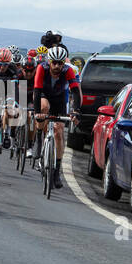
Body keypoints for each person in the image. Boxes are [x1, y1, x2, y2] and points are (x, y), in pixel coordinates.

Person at [32, 46, 82, 189]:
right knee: (44, 108)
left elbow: (75, 92)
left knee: (59, 132)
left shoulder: (68, 71)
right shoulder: (42, 68)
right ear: (49, 61)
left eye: (60, 63)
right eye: (54, 62)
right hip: (43, 96)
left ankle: (56, 171)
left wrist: (76, 111)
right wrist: (37, 113)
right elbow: (36, 90)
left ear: (63, 63)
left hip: (59, 99)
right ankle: (39, 138)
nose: (57, 66)